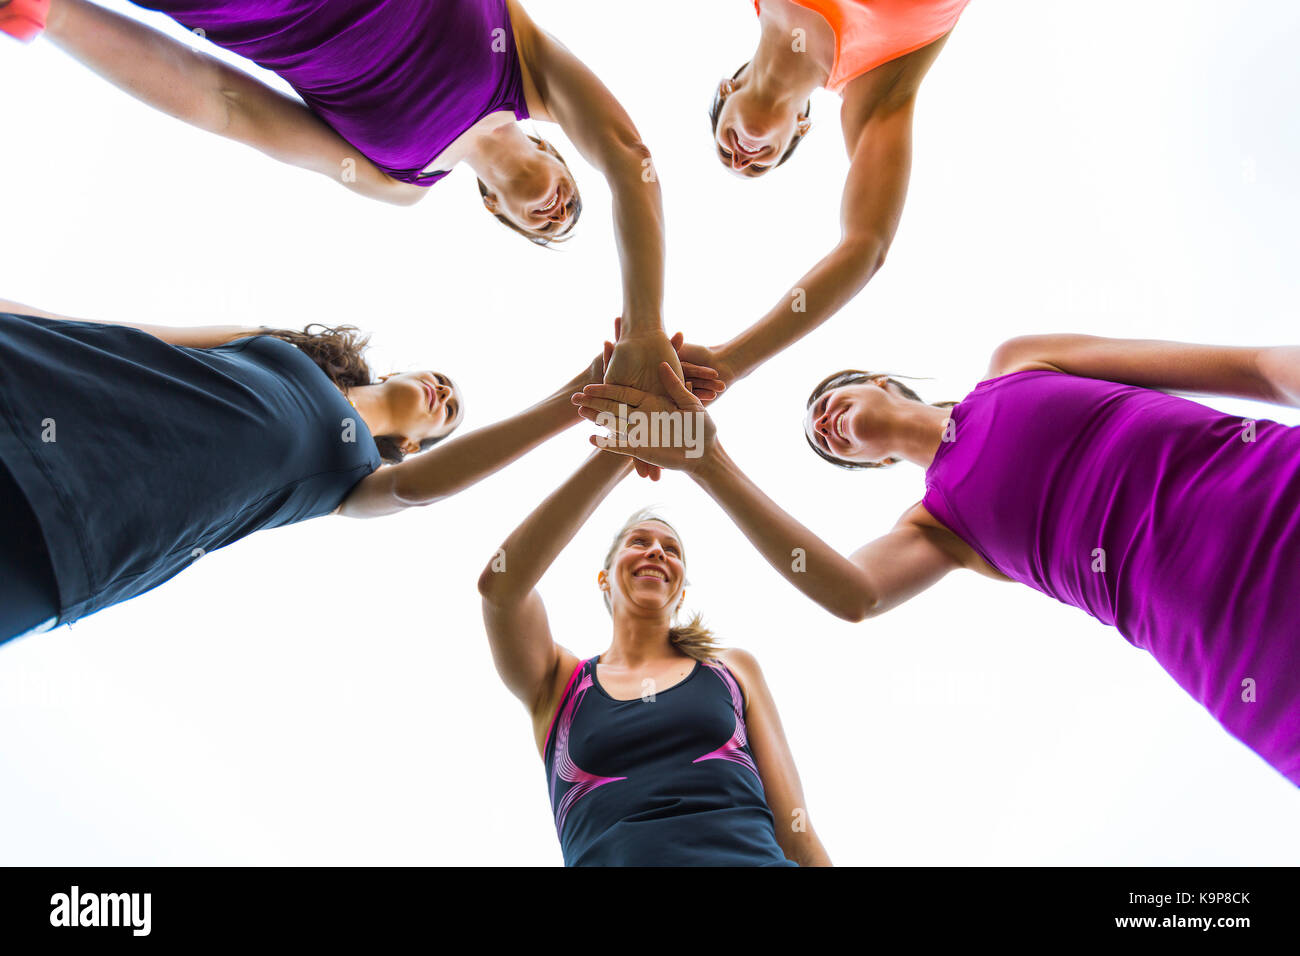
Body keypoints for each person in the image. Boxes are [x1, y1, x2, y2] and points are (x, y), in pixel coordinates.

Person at [572, 335, 1300, 786]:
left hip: (1277, 484)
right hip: (1242, 651)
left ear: (882, 382)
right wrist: (708, 462)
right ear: (864, 460)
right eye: (826, 442)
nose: (827, 422)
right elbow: (850, 593)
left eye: (830, 398)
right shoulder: (940, 526)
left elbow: (1258, 368)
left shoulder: (1019, 363)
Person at [2, 0, 686, 396]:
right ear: (554, 148)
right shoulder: (526, 60)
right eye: (573, 204)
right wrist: (648, 330)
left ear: (493, 208)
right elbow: (629, 158)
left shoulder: (399, 181)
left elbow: (229, 105)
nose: (558, 211)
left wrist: (57, 16)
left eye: (547, 227)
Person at [0, 295, 642, 644]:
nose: (444, 393)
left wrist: (576, 396)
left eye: (449, 414)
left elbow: (420, 493)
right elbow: (131, 332)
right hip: (41, 386)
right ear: (397, 372)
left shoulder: (356, 480)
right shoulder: (272, 344)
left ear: (416, 445)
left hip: (86, 531)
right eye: (442, 382)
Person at [477, 452, 830, 865]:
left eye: (671, 549)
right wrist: (623, 451)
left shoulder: (731, 669)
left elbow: (794, 823)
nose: (657, 552)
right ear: (604, 578)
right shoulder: (557, 682)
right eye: (639, 542)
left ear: (681, 590)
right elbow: (501, 587)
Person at [677, 0, 971, 392]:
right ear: (801, 128)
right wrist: (730, 363)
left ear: (726, 90)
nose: (740, 158)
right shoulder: (875, 93)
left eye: (724, 150)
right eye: (758, 165)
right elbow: (865, 247)